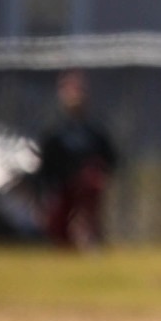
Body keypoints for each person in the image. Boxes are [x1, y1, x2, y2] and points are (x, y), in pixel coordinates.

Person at [34, 70, 118, 249]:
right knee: (58, 224)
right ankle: (65, 247)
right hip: (62, 186)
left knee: (89, 190)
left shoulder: (94, 131)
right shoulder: (56, 133)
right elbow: (46, 165)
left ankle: (91, 242)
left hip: (87, 187)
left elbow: (110, 158)